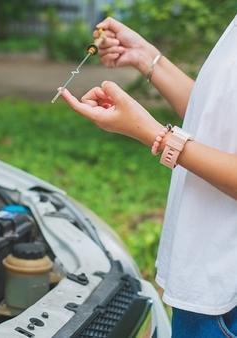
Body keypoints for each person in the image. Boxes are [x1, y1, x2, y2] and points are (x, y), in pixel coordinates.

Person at [59, 16, 237, 338]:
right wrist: (145, 56)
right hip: (203, 283)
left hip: (226, 302)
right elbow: (218, 118)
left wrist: (156, 135)